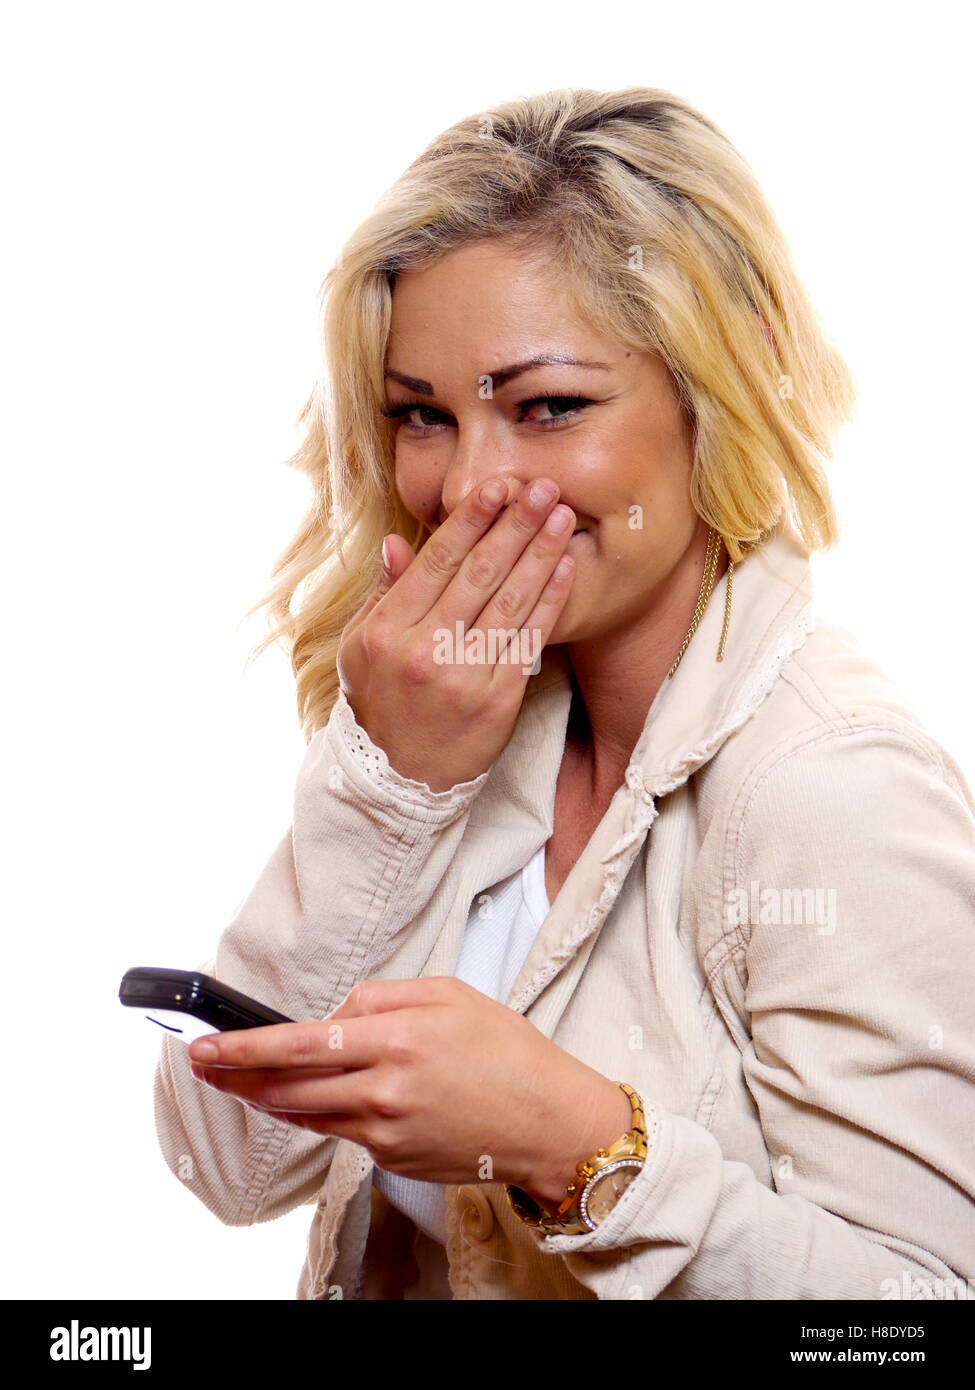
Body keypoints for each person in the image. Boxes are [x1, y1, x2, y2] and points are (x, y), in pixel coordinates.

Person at [154, 86, 975, 1300]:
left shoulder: (833, 784)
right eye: (422, 415)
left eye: (548, 407)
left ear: (728, 375)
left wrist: (577, 1145)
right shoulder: (456, 719)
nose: (467, 488)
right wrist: (391, 785)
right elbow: (232, 1161)